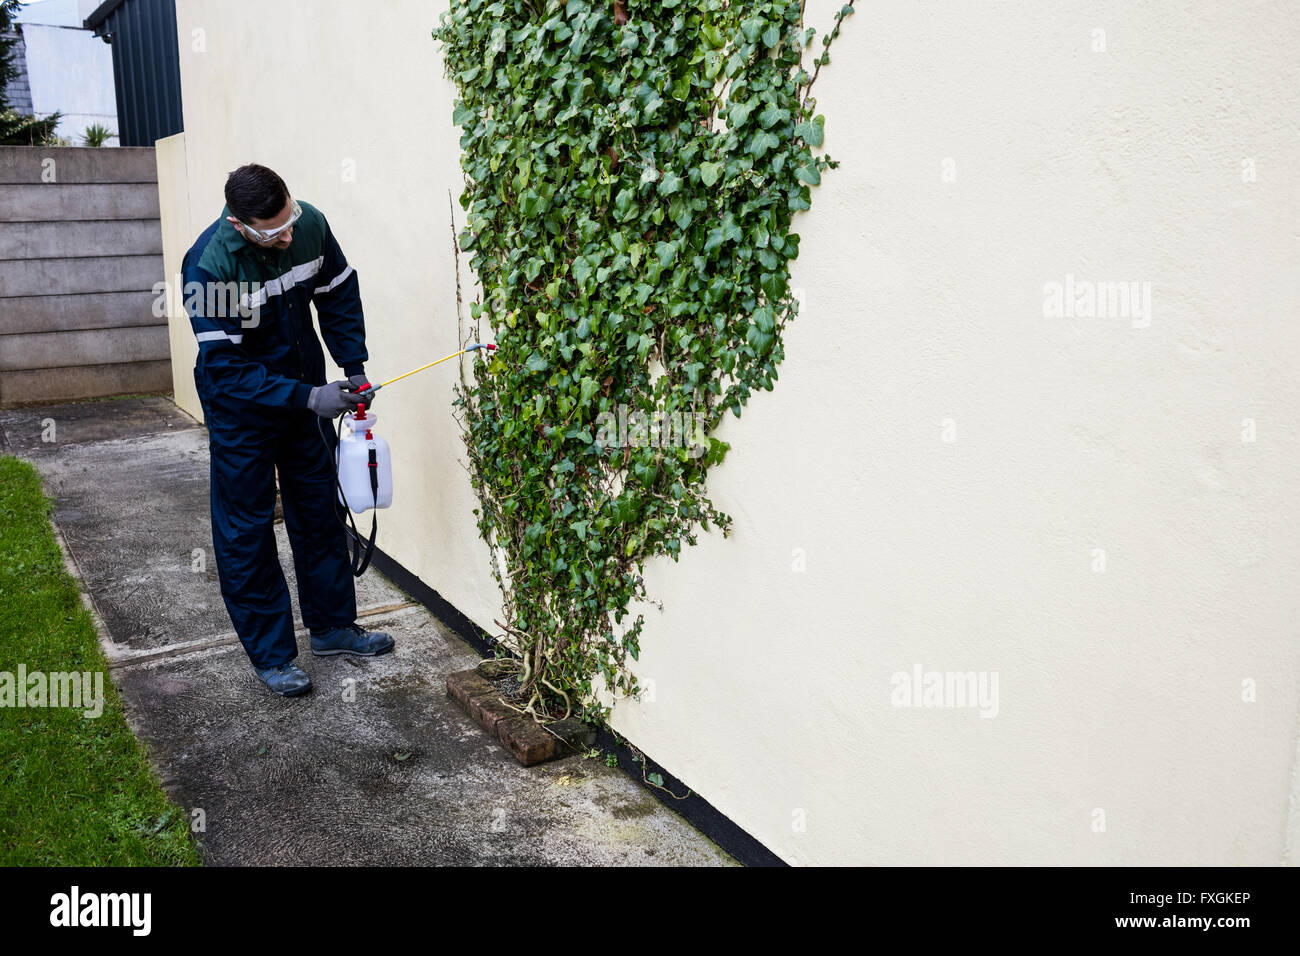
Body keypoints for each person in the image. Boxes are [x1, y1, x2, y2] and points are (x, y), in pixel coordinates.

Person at [181, 163, 394, 697]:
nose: (288, 235)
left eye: (290, 219)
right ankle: (274, 656)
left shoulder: (311, 228)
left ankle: (332, 628)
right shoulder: (207, 268)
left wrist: (354, 366)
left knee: (319, 511)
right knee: (247, 532)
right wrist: (307, 397)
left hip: (307, 397)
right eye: (274, 231)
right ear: (240, 224)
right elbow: (227, 371)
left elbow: (339, 294)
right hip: (242, 411)